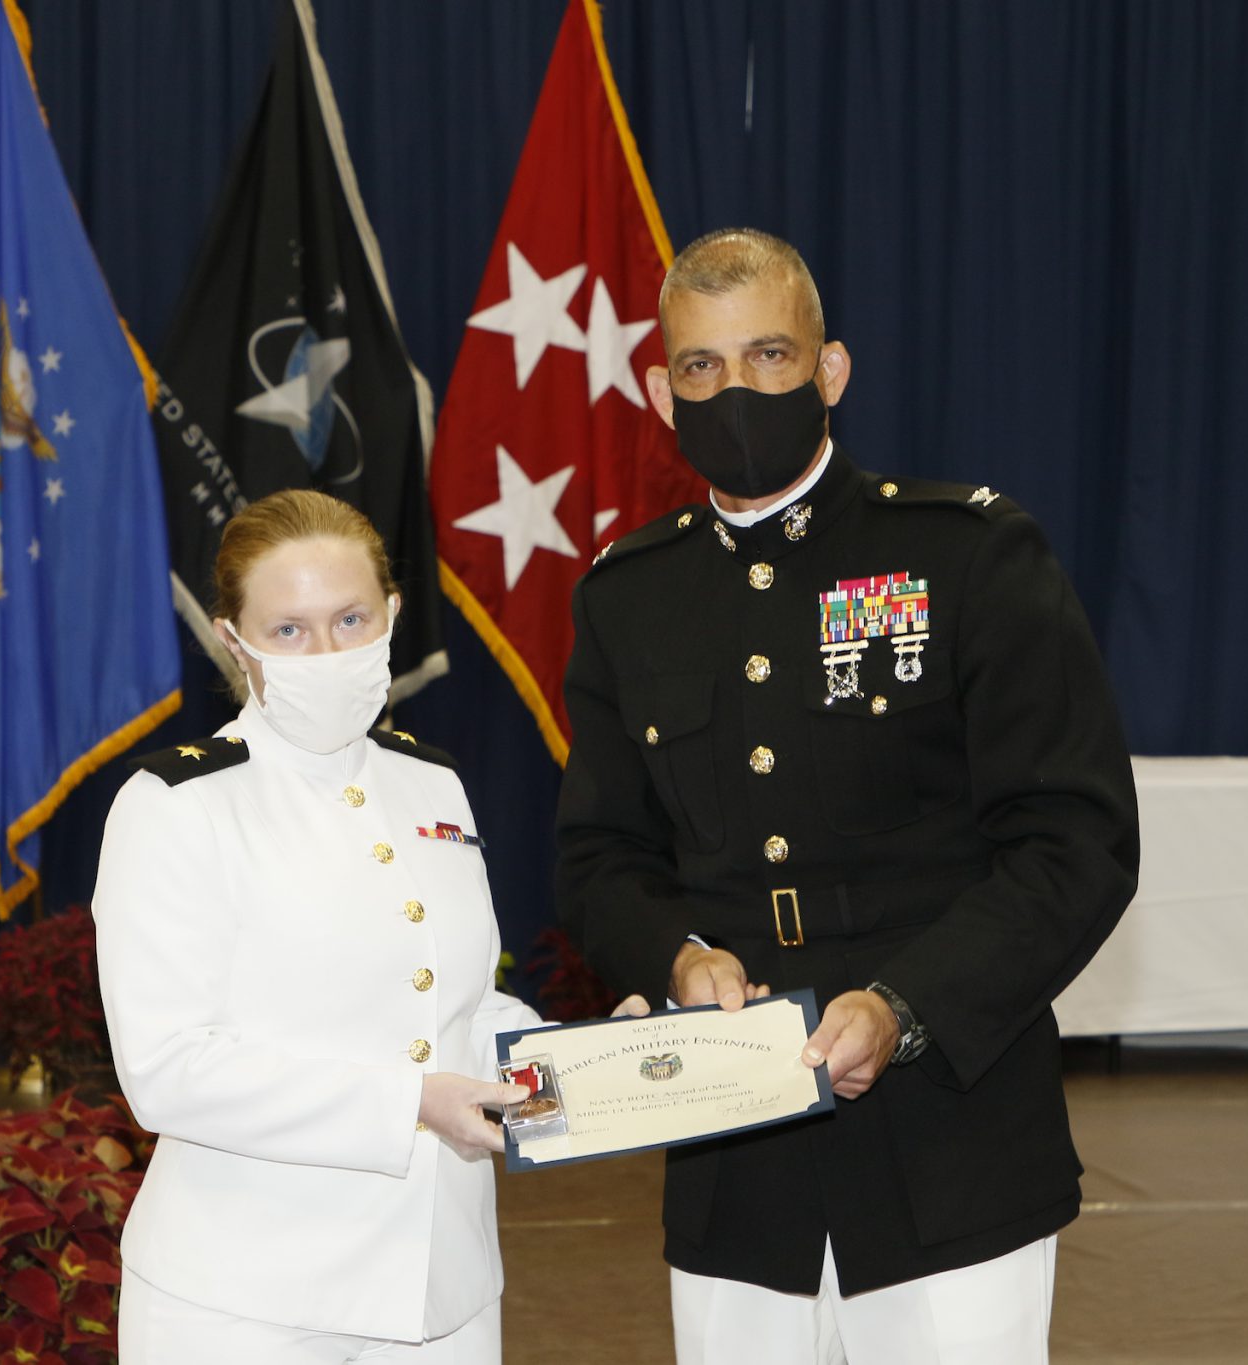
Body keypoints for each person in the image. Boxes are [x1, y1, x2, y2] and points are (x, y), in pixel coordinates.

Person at [556, 228, 1140, 1363]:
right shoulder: (629, 595)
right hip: (735, 1164)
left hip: (953, 1141)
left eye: (769, 358)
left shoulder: (964, 554)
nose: (735, 391)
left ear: (829, 372)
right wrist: (673, 956)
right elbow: (597, 859)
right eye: (701, 368)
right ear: (658, 387)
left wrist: (904, 1006)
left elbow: (1074, 844)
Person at [95, 489, 580, 1363]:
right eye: (290, 629)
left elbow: (455, 1005)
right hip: (246, 1304)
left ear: (394, 615)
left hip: (446, 1291)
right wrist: (412, 1102)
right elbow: (167, 1068)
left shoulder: (432, 784)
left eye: (351, 618)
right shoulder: (176, 804)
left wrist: (589, 1059)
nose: (326, 651)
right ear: (232, 639)